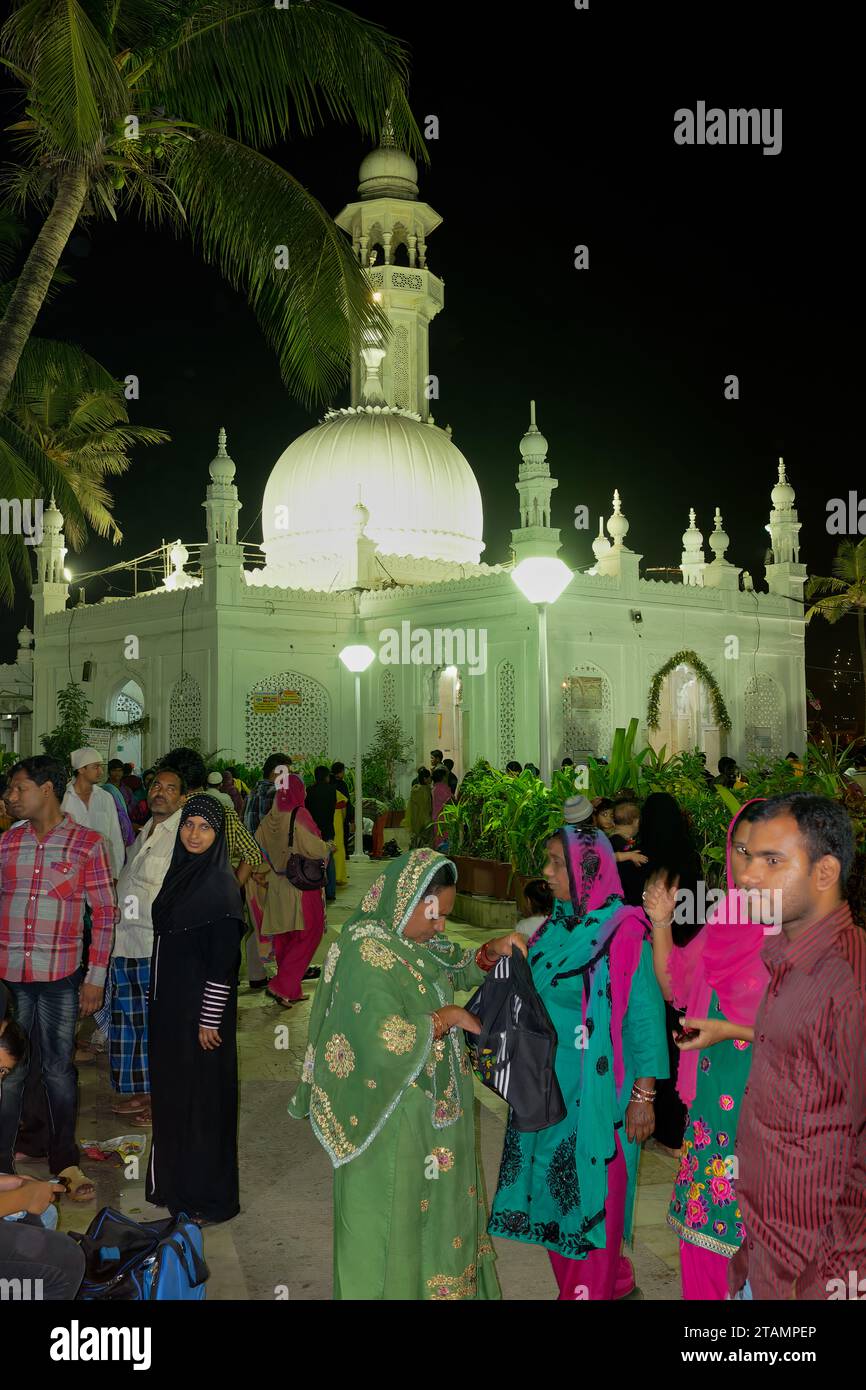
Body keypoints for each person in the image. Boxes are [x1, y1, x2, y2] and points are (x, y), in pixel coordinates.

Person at [289, 847, 526, 1299]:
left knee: (437, 1221)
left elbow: (450, 963)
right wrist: (445, 1019)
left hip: (434, 1112)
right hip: (391, 1117)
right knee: (391, 1223)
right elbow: (381, 1037)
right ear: (406, 898)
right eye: (435, 915)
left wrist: (488, 953)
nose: (439, 927)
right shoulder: (364, 949)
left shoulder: (411, 941)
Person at [489, 826, 667, 1300]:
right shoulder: (554, 928)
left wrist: (643, 1096)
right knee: (555, 1206)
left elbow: (644, 1019)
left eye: (555, 862)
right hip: (546, 1097)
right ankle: (618, 1285)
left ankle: (596, 1288)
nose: (546, 873)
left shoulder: (624, 931)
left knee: (591, 1206)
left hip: (597, 1104)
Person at [728, 794, 866, 1301]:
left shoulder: (848, 984)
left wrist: (835, 1278)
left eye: (772, 861)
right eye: (749, 857)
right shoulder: (786, 961)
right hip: (765, 1256)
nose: (747, 877)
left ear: (824, 873)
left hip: (817, 1274)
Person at [644, 800, 770, 1300]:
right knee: (705, 1232)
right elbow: (675, 984)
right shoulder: (724, 916)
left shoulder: (798, 929)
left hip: (768, 1106)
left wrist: (730, 1030)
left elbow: (814, 1026)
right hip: (713, 1104)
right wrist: (661, 922)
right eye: (741, 850)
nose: (749, 865)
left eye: (765, 853)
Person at [0, 757, 115, 1202]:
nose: (11, 797)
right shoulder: (8, 844)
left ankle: (64, 1158)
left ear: (46, 788)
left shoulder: (88, 844)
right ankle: (3, 1164)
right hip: (11, 980)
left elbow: (105, 914)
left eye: (17, 788)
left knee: (58, 1070)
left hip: (60, 977)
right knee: (9, 1074)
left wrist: (95, 977)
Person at [146, 796, 244, 1225]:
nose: (195, 834)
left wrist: (209, 1018)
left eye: (206, 827)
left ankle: (208, 1198)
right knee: (173, 1098)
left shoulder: (221, 887)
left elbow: (225, 963)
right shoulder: (179, 876)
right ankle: (174, 1185)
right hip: (170, 1011)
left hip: (201, 1019)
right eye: (190, 825)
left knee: (202, 1104)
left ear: (219, 835)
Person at [616, 791, 702, 1153]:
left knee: (651, 1035)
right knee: (680, 1039)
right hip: (687, 963)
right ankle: (675, 1125)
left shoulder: (639, 864)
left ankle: (647, 1109)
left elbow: (629, 915)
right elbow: (697, 916)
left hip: (647, 961)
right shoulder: (692, 861)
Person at [106, 765, 186, 1126]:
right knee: (133, 1023)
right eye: (156, 785)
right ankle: (145, 1090)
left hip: (156, 944)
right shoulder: (145, 834)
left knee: (160, 1026)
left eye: (170, 789)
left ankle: (164, 1098)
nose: (160, 792)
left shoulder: (183, 835)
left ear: (182, 798)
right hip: (127, 942)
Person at [253, 775, 330, 1007]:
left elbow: (258, 844)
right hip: (300, 885)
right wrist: (328, 847)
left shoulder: (270, 817)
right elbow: (315, 849)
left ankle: (291, 990)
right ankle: (282, 984)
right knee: (310, 933)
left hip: (277, 884)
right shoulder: (299, 815)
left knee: (285, 937)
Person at [62, 748, 125, 881]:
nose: (101, 771)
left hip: (100, 872)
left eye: (101, 767)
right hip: (69, 873)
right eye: (96, 767)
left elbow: (115, 837)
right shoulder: (63, 798)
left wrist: (115, 874)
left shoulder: (106, 798)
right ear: (81, 769)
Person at [305, 766, 338, 903]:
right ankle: (331, 891)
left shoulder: (310, 791)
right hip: (328, 829)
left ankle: (316, 886)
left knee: (314, 859)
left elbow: (306, 809)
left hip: (313, 830)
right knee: (329, 859)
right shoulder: (332, 790)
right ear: (326, 776)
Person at [244, 753, 291, 835]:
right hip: (269, 846)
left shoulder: (252, 792)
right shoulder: (275, 793)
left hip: (251, 845)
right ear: (275, 772)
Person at [404, 767, 433, 848]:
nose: (431, 779)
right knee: (423, 841)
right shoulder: (425, 790)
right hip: (424, 820)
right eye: (429, 777)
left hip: (414, 819)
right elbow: (427, 807)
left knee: (415, 840)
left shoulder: (415, 789)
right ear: (425, 779)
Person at [430, 766, 453, 850]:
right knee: (444, 842)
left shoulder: (434, 788)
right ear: (443, 777)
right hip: (444, 819)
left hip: (436, 818)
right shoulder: (442, 788)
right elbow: (451, 802)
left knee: (438, 841)